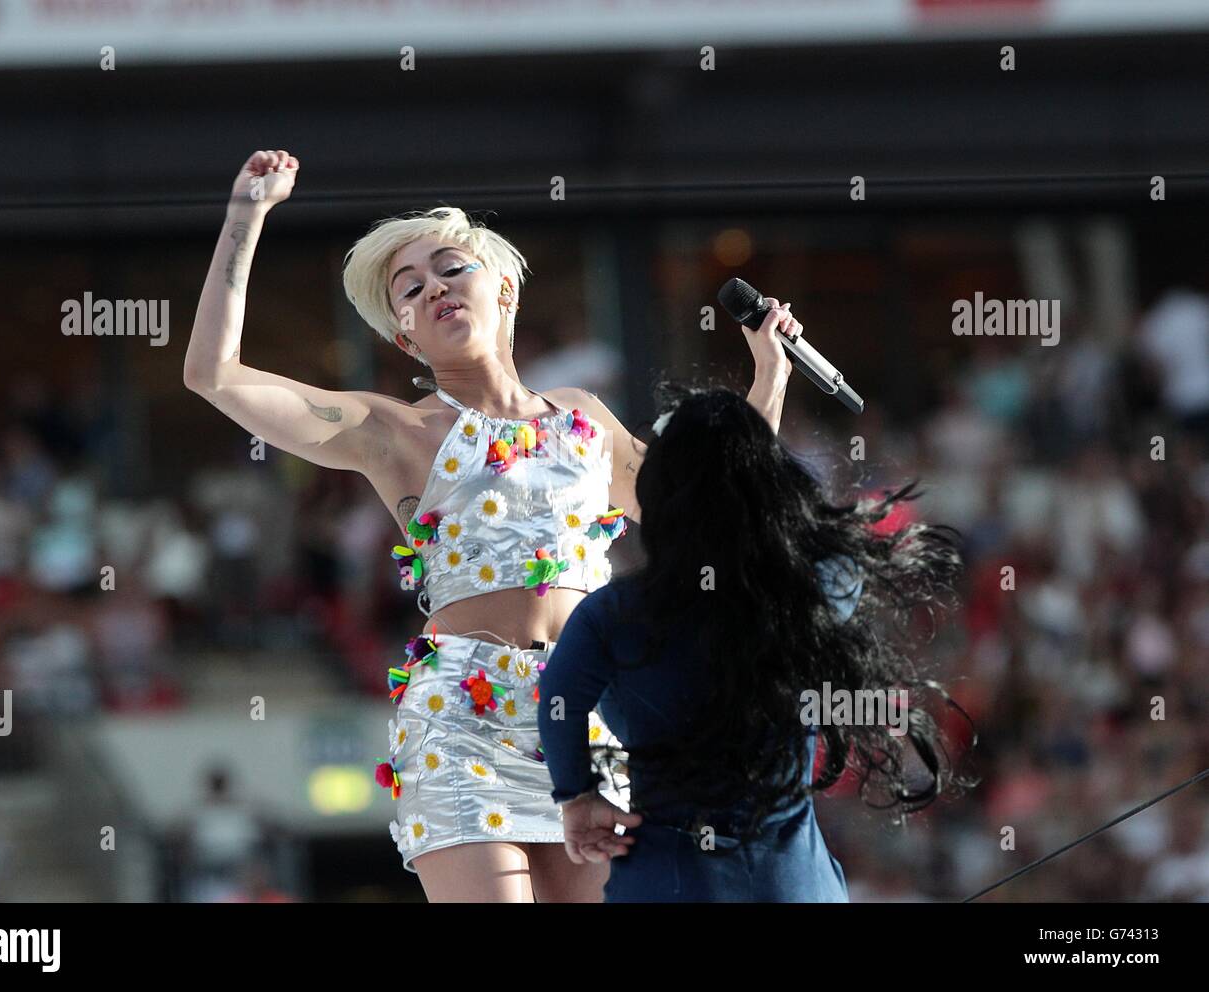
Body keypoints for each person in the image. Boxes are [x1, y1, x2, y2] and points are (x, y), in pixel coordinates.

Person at [184, 150, 804, 902]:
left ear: (503, 288)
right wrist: (246, 217)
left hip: (588, 710)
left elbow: (715, 509)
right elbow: (215, 375)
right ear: (407, 338)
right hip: (463, 715)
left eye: (450, 268)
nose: (433, 287)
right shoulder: (398, 432)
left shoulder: (580, 417)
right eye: (409, 290)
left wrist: (768, 377)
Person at [538, 382, 972, 901]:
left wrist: (577, 796)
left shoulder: (611, 614)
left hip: (669, 881)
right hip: (795, 881)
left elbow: (559, 701)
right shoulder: (815, 591)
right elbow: (794, 535)